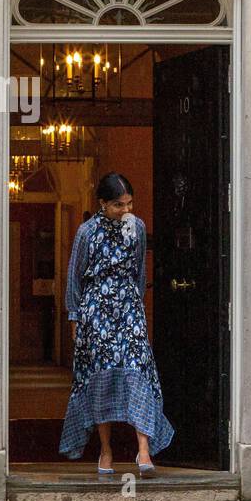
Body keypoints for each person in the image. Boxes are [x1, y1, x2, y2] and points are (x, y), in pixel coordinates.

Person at [59, 172, 174, 474]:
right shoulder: (87, 232)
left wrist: (137, 308)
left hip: (128, 308)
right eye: (119, 205)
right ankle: (105, 450)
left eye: (129, 203)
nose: (126, 210)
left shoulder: (137, 227)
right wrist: (74, 318)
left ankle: (144, 450)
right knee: (102, 377)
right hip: (96, 310)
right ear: (103, 203)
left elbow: (139, 271)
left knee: (138, 371)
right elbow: (74, 276)